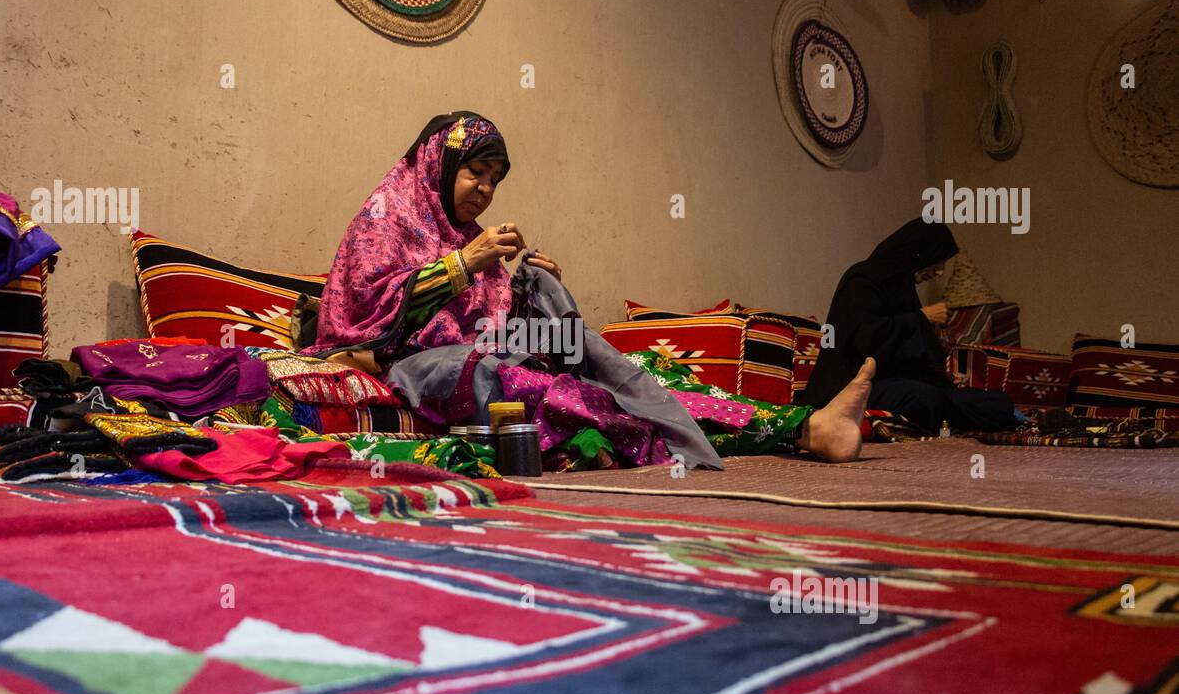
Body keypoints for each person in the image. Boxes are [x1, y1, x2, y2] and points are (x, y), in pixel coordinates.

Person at [311, 110, 874, 468]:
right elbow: (365, 315)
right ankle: (788, 433)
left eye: (493, 179)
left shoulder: (469, 237)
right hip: (418, 365)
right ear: (440, 164)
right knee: (524, 381)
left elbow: (497, 322)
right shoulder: (385, 219)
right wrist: (462, 264)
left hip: (476, 351)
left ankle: (805, 426)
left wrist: (537, 289)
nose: (484, 189)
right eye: (474, 173)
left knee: (636, 372)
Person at [804, 217, 1017, 432]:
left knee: (975, 397)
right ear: (918, 252)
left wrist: (940, 375)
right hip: (849, 384)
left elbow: (906, 354)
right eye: (937, 261)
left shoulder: (901, 288)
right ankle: (999, 418)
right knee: (926, 397)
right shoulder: (861, 281)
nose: (939, 272)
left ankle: (1007, 414)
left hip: (889, 381)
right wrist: (921, 318)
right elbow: (867, 342)